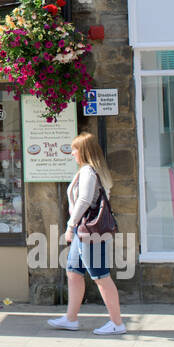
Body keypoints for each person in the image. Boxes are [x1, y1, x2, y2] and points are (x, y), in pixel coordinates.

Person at [48, 131, 126, 336]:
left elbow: (83, 200)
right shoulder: (94, 171)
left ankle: (117, 323)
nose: (72, 152)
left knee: (101, 276)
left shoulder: (88, 172)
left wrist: (70, 225)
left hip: (88, 231)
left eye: (75, 149)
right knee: (73, 272)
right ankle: (71, 319)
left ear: (83, 151)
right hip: (86, 231)